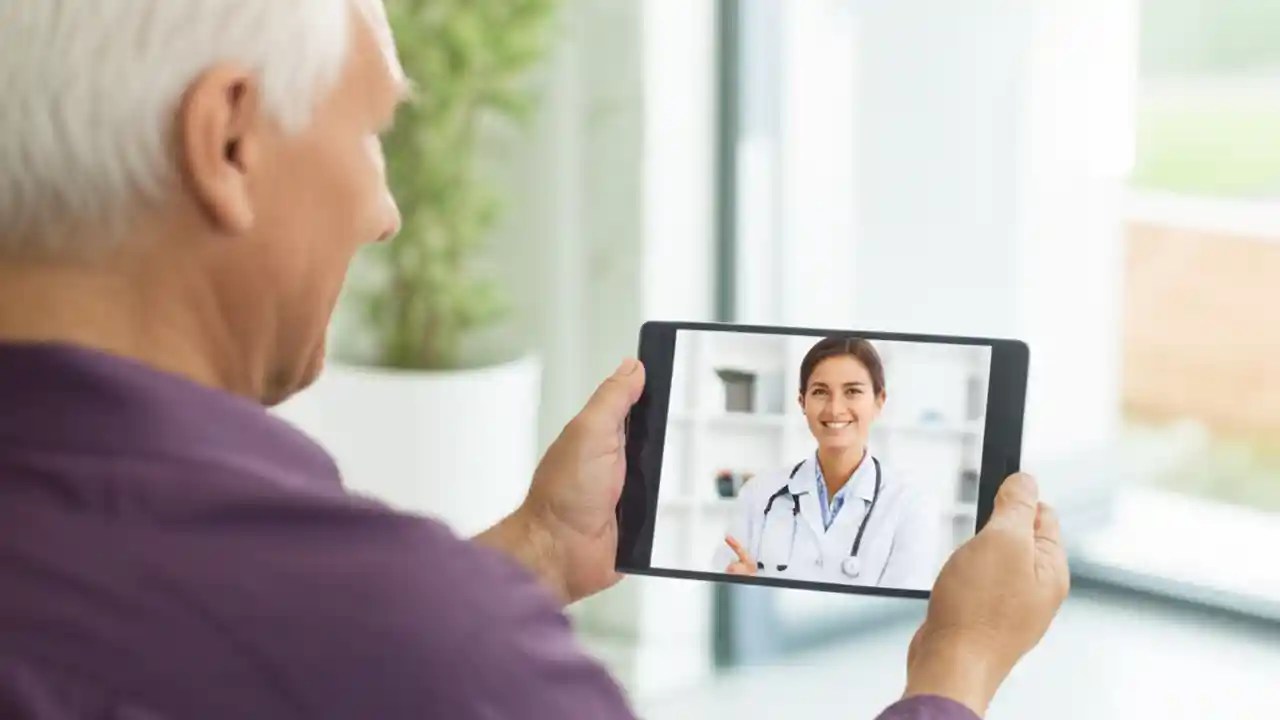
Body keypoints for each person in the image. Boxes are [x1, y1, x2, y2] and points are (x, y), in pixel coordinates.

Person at [0, 2, 1070, 719]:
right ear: (229, 140)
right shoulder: (433, 647)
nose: (383, 212)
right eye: (372, 132)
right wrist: (955, 670)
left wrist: (537, 553)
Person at [716, 336, 938, 588]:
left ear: (879, 401)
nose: (835, 409)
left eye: (852, 391)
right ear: (802, 402)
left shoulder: (911, 503)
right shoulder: (758, 493)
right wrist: (735, 588)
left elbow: (901, 613)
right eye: (820, 392)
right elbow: (722, 588)